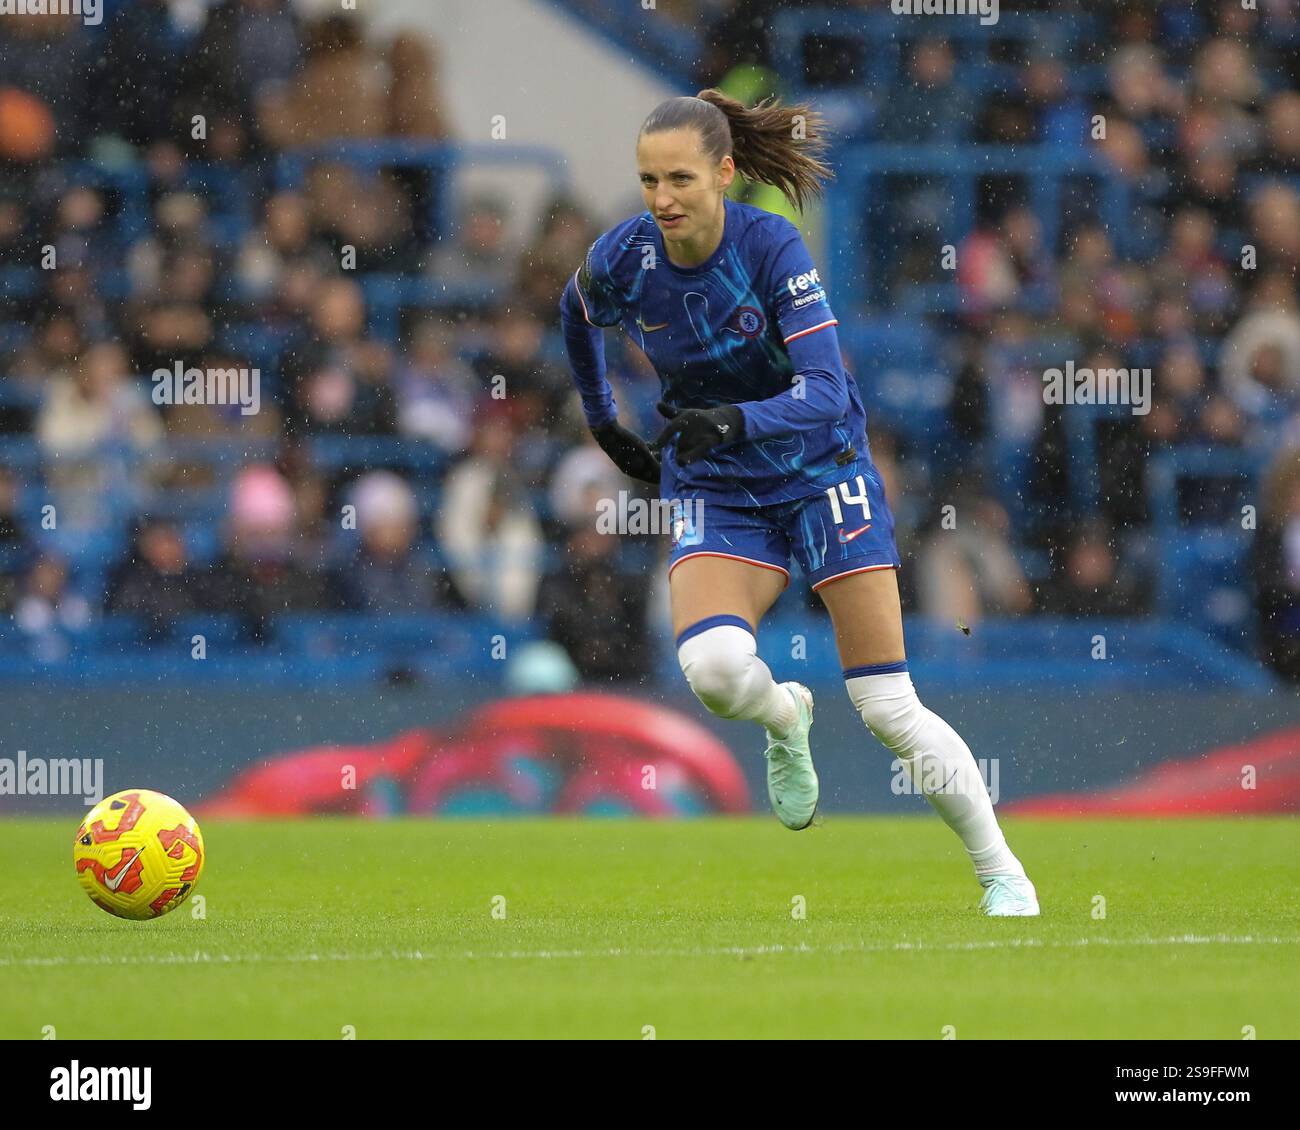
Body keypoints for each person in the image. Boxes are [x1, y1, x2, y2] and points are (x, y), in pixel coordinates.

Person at [558, 90, 1038, 916]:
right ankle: (785, 717)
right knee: (711, 673)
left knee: (887, 706)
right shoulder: (625, 257)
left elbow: (823, 391)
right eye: (647, 180)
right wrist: (605, 423)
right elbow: (575, 311)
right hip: (719, 481)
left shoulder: (772, 246)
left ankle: (1002, 872)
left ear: (725, 171)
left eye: (680, 177)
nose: (662, 198)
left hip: (823, 471)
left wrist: (734, 417)